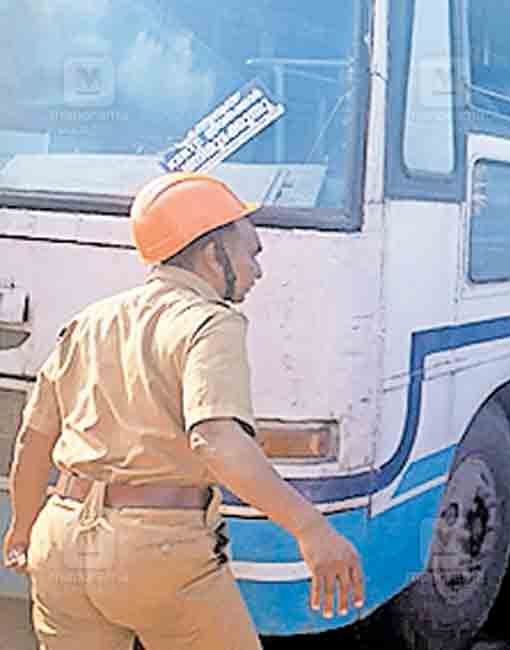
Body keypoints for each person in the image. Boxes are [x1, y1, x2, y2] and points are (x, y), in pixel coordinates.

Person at [2, 173, 365, 650]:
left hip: (60, 543)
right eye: (250, 253)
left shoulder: (89, 321)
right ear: (213, 255)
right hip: (158, 552)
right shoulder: (209, 323)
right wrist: (310, 528)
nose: (257, 271)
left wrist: (23, 528)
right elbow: (215, 439)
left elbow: (34, 437)